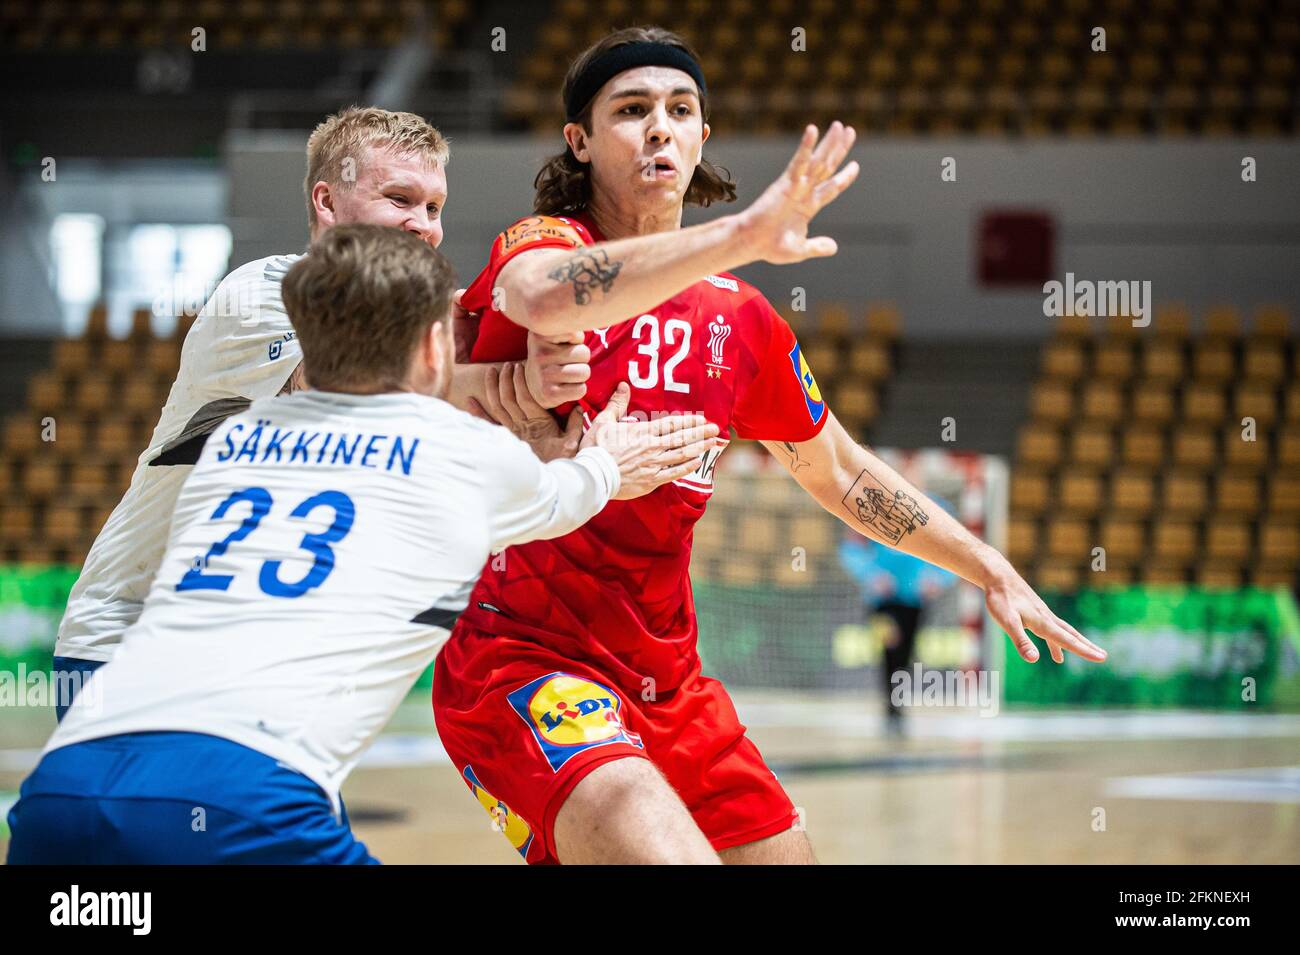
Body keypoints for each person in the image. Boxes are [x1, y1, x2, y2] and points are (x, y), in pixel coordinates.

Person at [437, 26, 1108, 865]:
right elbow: (538, 295)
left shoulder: (738, 320)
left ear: (702, 135)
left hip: (672, 687)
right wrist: (746, 232)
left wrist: (987, 565)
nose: (660, 128)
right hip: (523, 662)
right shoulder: (546, 244)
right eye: (632, 110)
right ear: (579, 140)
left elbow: (843, 474)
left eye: (681, 110)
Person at [6, 224, 718, 864]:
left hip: (60, 794)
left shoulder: (230, 445)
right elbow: (573, 493)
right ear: (437, 345)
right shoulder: (460, 449)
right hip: (242, 801)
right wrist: (607, 458)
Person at [49, 106, 585, 719]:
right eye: (400, 199)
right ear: (327, 202)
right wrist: (519, 380)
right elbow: (357, 390)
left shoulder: (429, 341)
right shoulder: (260, 294)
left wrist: (543, 411)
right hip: (130, 644)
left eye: (434, 208)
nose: (425, 226)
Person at [837, 519, 958, 733]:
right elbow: (851, 548)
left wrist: (938, 579)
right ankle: (891, 706)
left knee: (905, 654)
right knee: (890, 648)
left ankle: (897, 704)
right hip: (883, 602)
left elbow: (953, 548)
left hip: (914, 600)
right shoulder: (870, 507)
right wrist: (870, 575)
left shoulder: (931, 509)